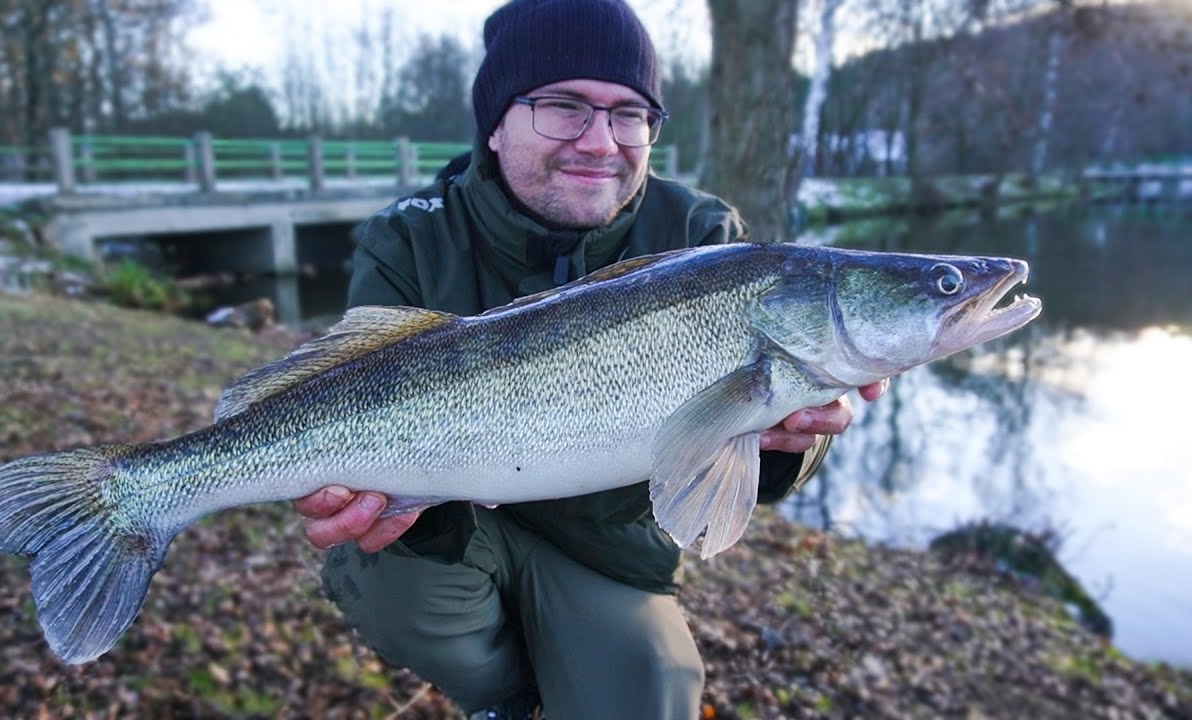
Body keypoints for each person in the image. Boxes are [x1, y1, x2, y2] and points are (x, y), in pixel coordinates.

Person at [293, 1, 888, 717]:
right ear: (495, 122)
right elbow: (350, 385)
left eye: (629, 114)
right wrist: (381, 503)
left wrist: (795, 441)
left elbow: (749, 461)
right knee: (393, 587)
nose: (600, 142)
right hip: (450, 531)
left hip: (605, 545)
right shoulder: (409, 237)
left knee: (655, 688)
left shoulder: (703, 234)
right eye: (564, 107)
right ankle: (504, 697)